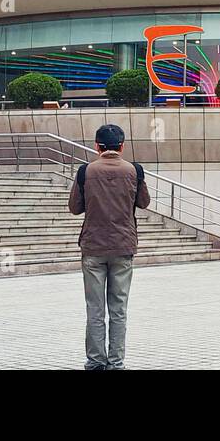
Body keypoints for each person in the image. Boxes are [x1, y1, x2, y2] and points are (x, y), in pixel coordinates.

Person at [68, 123, 151, 370]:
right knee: (119, 308)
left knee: (95, 309)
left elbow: (75, 208)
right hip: (123, 247)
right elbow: (144, 203)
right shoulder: (134, 171)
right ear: (122, 146)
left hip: (93, 247)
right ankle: (116, 362)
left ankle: (95, 361)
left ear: (97, 146)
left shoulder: (86, 171)